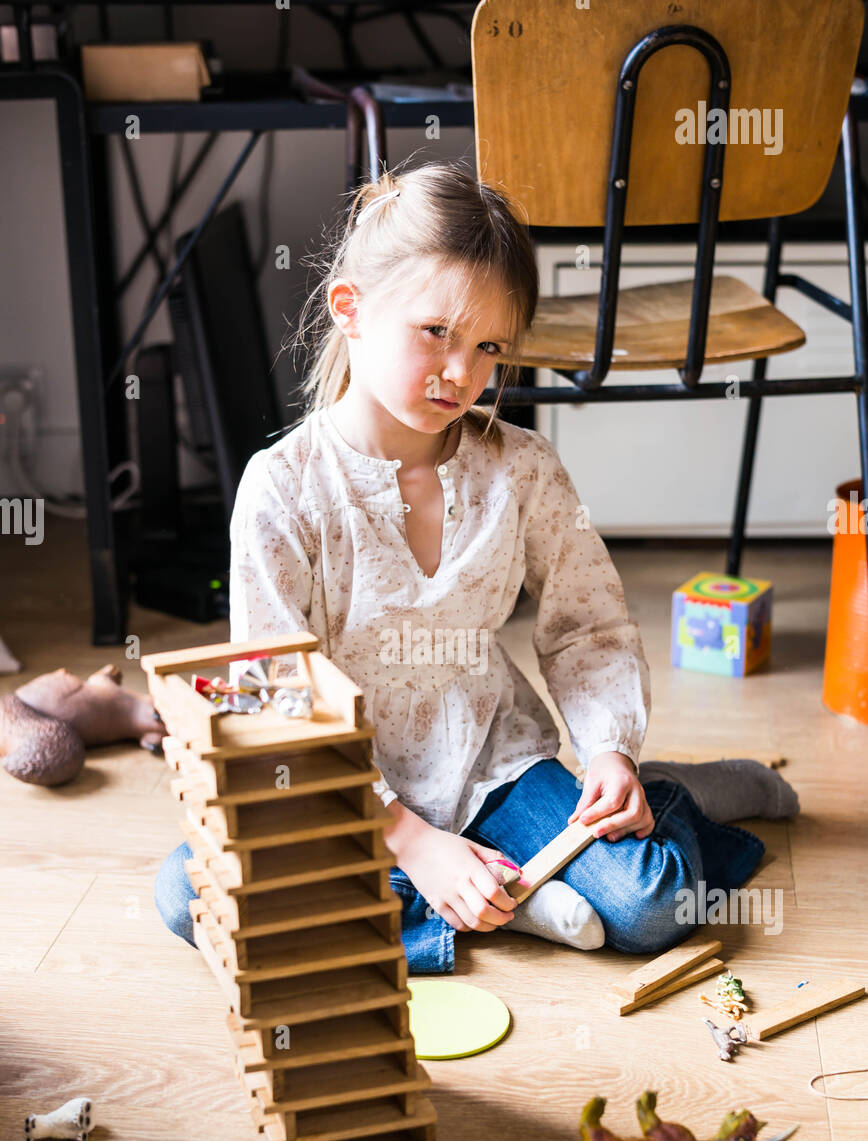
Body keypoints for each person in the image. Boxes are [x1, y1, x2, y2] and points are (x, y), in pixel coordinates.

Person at [154, 161, 799, 974]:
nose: (462, 373)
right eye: (436, 333)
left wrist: (610, 755)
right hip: (348, 790)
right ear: (350, 310)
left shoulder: (522, 469)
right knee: (189, 894)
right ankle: (517, 900)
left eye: (488, 346)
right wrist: (411, 840)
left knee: (653, 905)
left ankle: (666, 797)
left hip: (493, 761)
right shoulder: (283, 488)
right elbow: (279, 697)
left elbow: (587, 625)